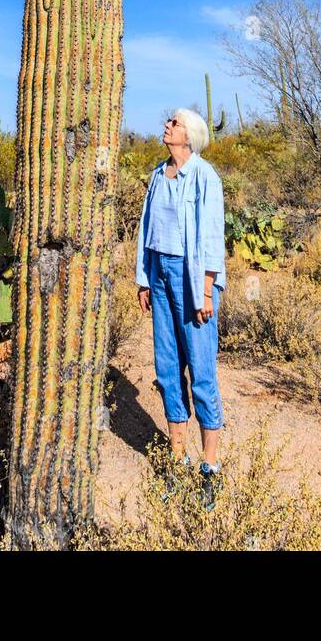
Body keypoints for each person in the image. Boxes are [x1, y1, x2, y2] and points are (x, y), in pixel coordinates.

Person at [135, 107, 226, 507]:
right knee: (168, 369)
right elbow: (145, 229)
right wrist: (143, 277)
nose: (166, 125)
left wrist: (206, 291)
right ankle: (177, 460)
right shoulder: (158, 174)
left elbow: (210, 236)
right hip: (160, 273)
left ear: (188, 135)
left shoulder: (205, 176)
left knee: (202, 373)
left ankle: (209, 468)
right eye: (168, 121)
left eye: (173, 122)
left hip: (192, 281)